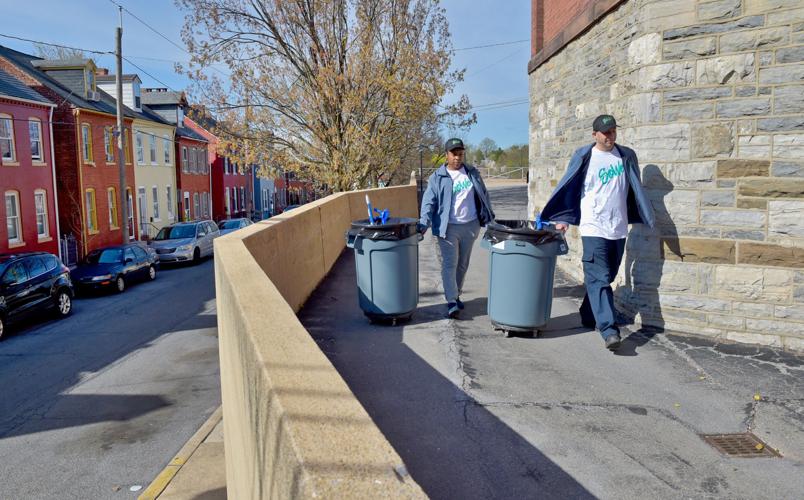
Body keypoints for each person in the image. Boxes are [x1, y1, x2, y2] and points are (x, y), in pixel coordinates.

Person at [541, 115, 655, 351]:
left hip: (619, 227)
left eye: (612, 131)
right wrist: (563, 219)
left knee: (606, 277)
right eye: (605, 132)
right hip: (593, 226)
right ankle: (608, 329)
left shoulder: (626, 155)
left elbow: (633, 188)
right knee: (599, 277)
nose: (609, 136)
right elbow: (569, 185)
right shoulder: (585, 156)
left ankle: (588, 314)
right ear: (595, 134)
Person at [418, 138, 495, 318]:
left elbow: (484, 195)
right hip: (448, 228)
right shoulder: (437, 177)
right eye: (454, 154)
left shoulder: (472, 173)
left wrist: (490, 217)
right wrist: (424, 223)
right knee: (450, 263)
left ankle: (457, 292)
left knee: (463, 264)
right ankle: (451, 300)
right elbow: (428, 202)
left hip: (470, 225)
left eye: (460, 154)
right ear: (446, 155)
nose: (457, 158)